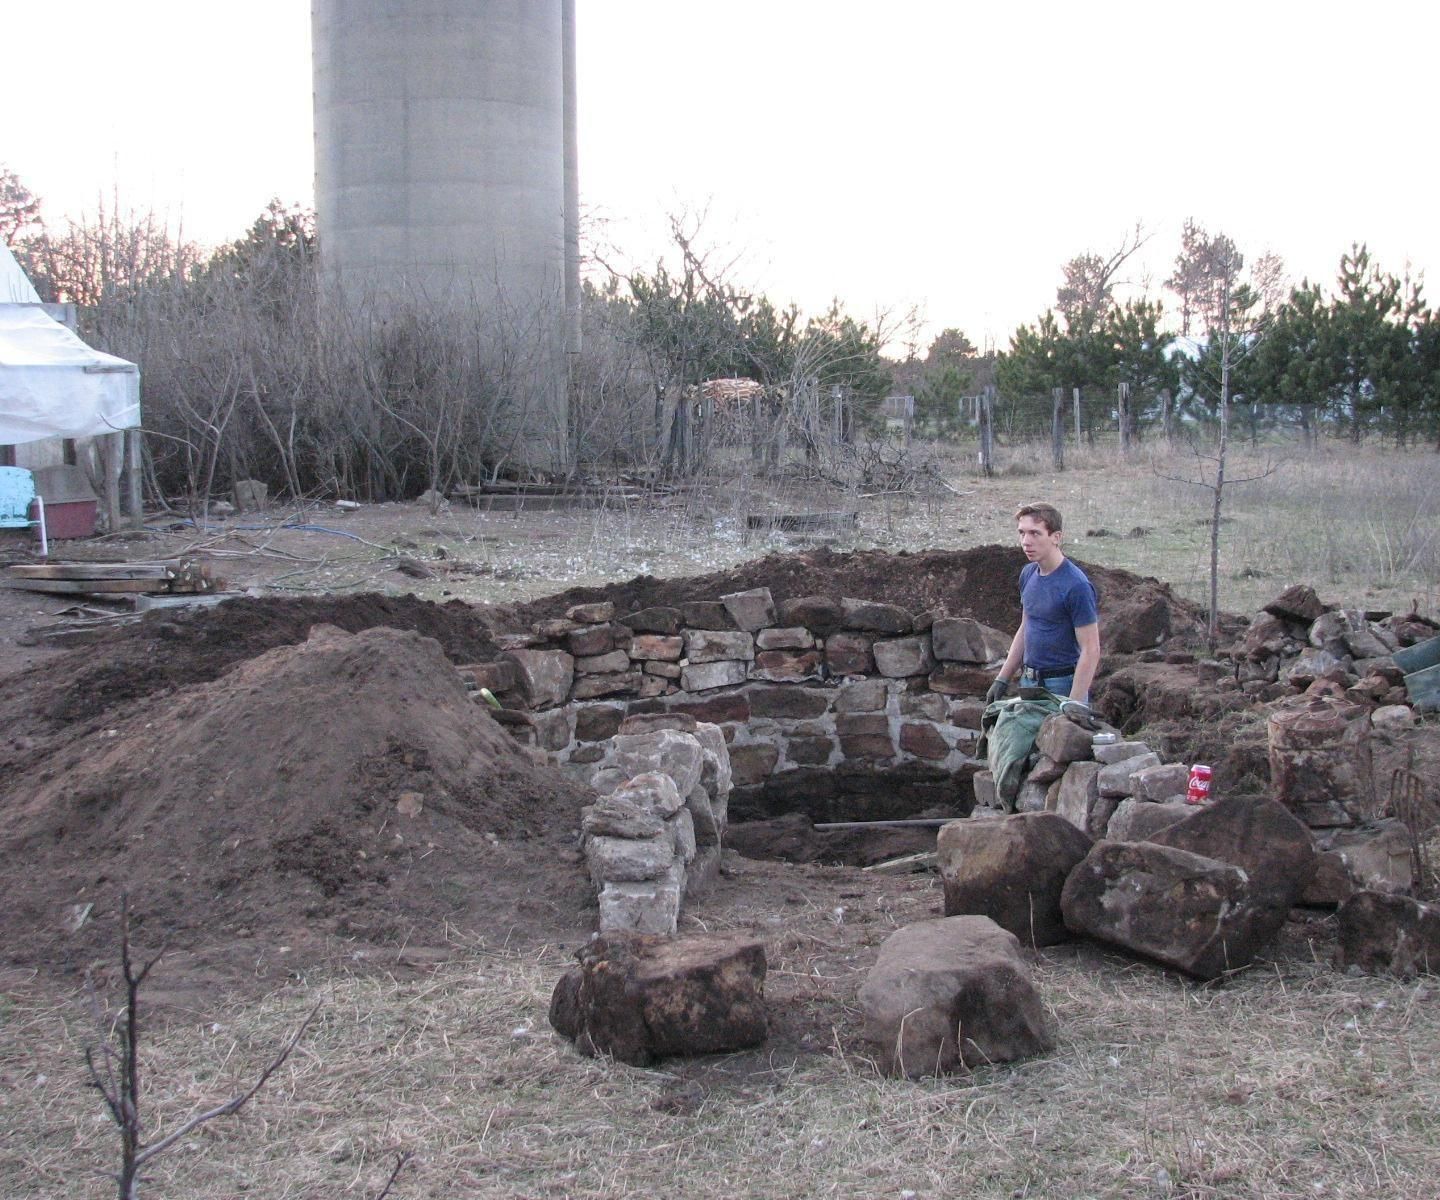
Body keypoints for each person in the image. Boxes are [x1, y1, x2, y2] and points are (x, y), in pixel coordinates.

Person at [986, 502, 1100, 713]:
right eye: (1022, 533)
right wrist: (1002, 678)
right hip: (1029, 683)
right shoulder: (1028, 574)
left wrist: (1074, 703)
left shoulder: (1077, 586)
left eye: (1035, 533)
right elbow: (1026, 627)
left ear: (1056, 537)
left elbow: (1091, 649)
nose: (1025, 541)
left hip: (1062, 685)